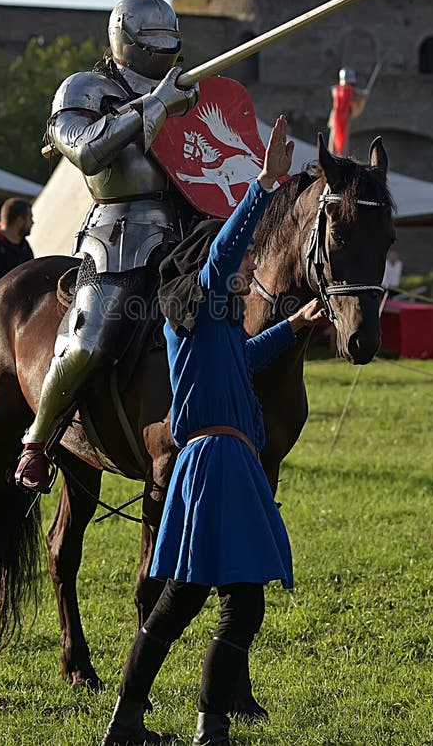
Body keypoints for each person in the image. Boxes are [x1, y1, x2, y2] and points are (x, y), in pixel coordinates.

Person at [101, 116, 324, 746]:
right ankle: (187, 726)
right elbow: (225, 252)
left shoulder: (217, 331)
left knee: (207, 603)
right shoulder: (194, 314)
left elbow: (245, 361)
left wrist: (294, 325)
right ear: (209, 269)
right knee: (211, 603)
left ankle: (159, 724)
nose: (248, 263)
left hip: (226, 464)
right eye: (239, 260)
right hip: (214, 465)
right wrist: (264, 184)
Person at [14, 0, 200, 493]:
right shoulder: (85, 90)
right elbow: (88, 151)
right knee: (90, 342)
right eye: (153, 44)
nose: (163, 54)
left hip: (190, 233)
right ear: (127, 41)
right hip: (119, 237)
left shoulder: (188, 87)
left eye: (169, 44)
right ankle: (36, 441)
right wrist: (154, 106)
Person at [327, 67, 369, 156]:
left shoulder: (340, 90)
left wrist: (363, 95)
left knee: (341, 144)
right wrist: (364, 94)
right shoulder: (342, 90)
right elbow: (357, 94)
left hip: (344, 119)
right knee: (334, 142)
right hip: (337, 120)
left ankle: (338, 157)